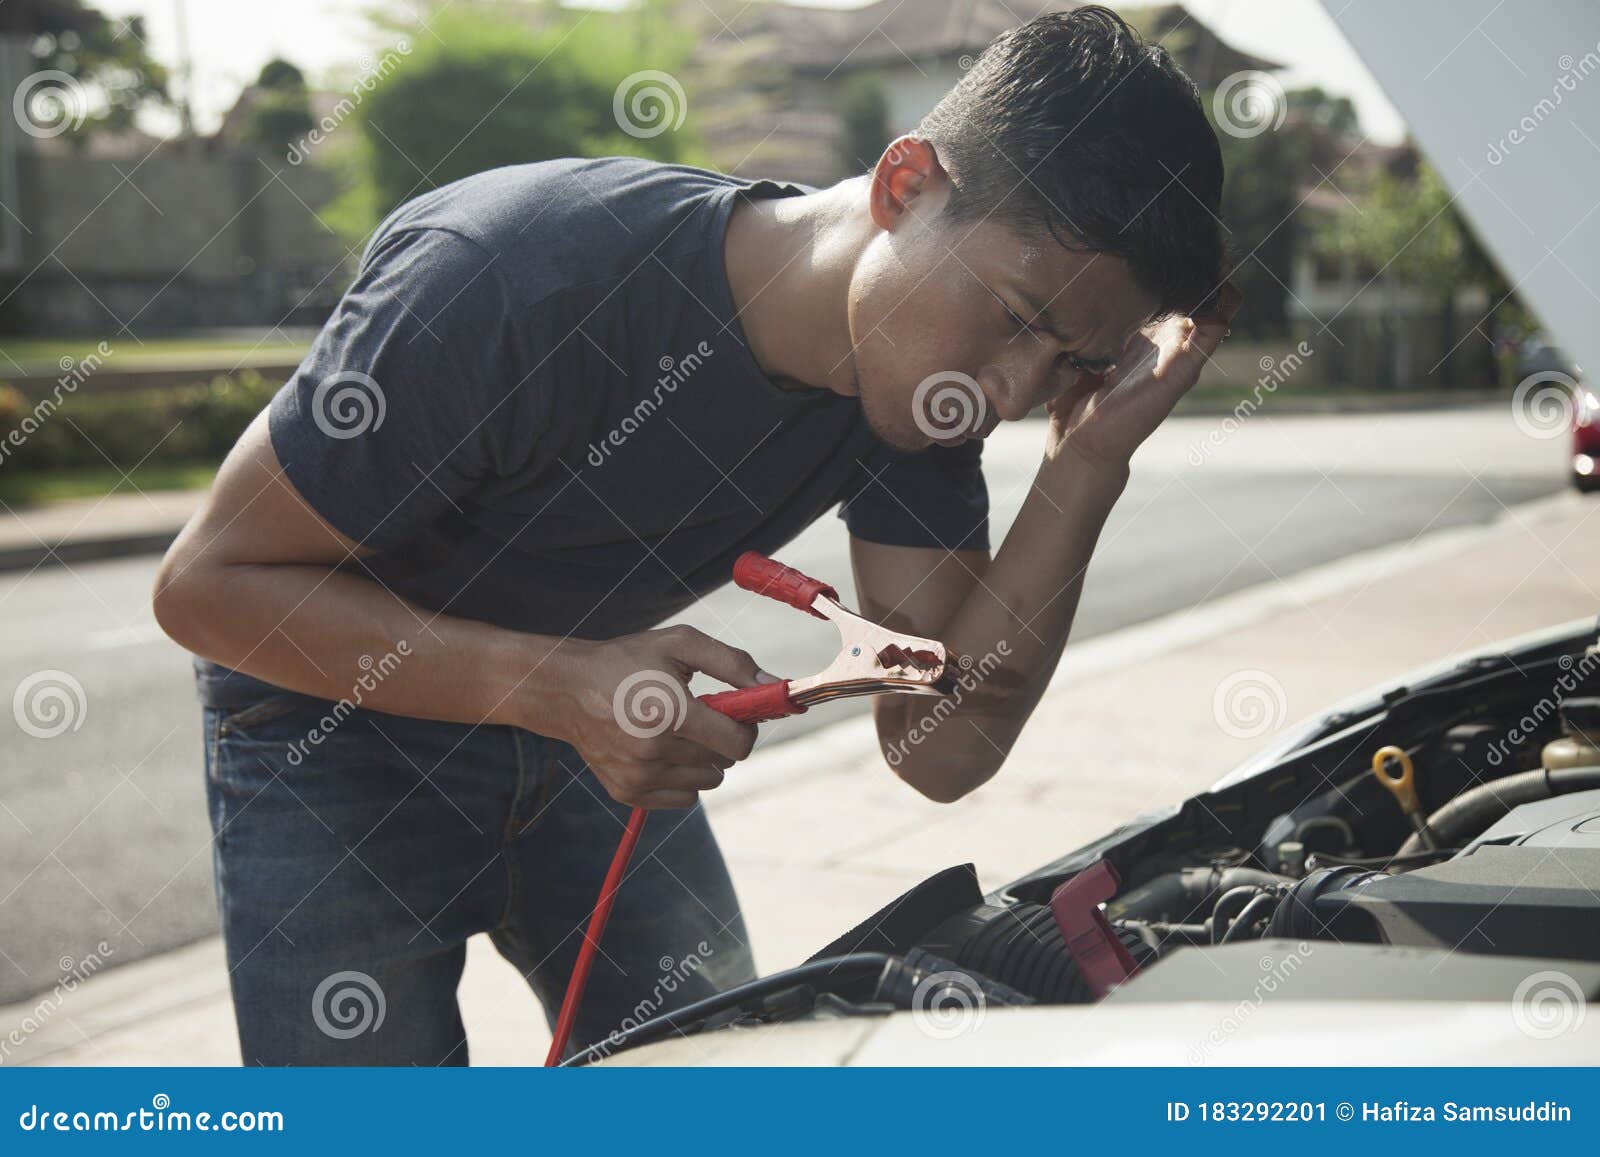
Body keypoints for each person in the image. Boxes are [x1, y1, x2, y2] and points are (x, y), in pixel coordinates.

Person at [152, 5, 1239, 1065]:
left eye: (1066, 364)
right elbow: (205, 584)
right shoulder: (516, 274)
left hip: (591, 714)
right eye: (1014, 317)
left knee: (706, 1086)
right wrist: (554, 687)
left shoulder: (921, 398)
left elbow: (940, 743)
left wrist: (1083, 465)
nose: (1008, 394)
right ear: (907, 185)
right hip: (334, 731)